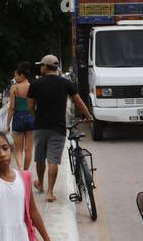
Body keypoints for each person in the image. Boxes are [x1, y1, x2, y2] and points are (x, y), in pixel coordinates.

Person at [28, 54, 94, 203]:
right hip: (58, 127)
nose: (40, 67)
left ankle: (40, 183)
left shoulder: (35, 84)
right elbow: (79, 102)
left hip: (40, 126)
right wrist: (88, 116)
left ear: (45, 66)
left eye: (41, 65)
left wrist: (36, 116)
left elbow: (30, 107)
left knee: (40, 158)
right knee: (53, 160)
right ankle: (50, 192)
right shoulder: (65, 83)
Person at [6, 63, 36, 174]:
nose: (15, 78)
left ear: (22, 75)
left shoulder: (14, 88)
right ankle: (26, 171)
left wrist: (8, 124)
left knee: (18, 149)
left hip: (18, 118)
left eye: (16, 75)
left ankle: (20, 170)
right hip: (31, 117)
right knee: (29, 149)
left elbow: (12, 108)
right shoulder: (32, 86)